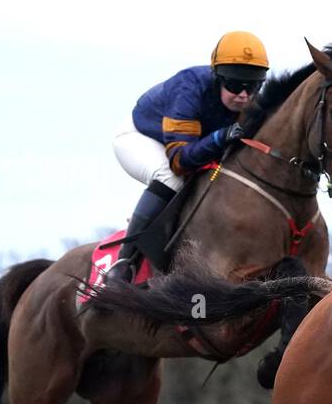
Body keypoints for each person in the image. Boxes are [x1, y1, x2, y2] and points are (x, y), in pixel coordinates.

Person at [106, 31, 270, 284]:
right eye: (235, 85)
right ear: (218, 78)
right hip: (142, 139)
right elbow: (180, 161)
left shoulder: (247, 99)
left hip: (187, 145)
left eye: (253, 86)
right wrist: (219, 138)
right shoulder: (190, 86)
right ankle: (124, 263)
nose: (244, 96)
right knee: (171, 177)